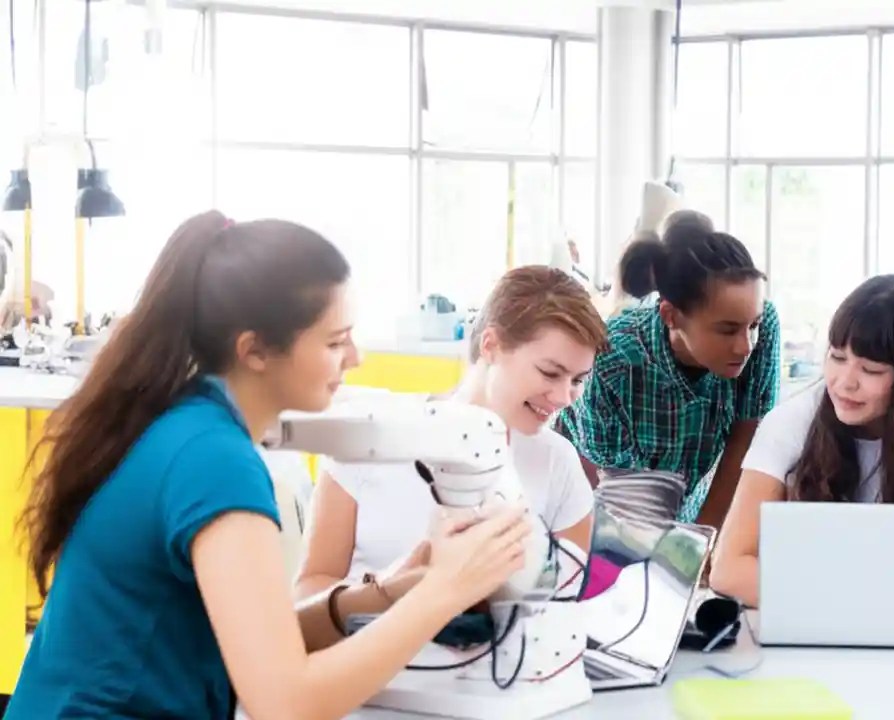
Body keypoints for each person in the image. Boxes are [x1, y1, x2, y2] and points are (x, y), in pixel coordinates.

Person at [9, 211, 530, 719]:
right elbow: (285, 704)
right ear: (255, 350)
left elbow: (257, 647)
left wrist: (390, 592)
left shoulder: (183, 423)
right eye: (334, 341)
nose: (355, 358)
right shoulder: (213, 461)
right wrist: (447, 591)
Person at [296, 265, 607, 606]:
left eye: (577, 380)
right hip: (374, 652)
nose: (564, 398)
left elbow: (570, 601)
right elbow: (309, 591)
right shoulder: (369, 440)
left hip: (503, 655)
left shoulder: (557, 461)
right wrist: (391, 589)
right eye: (550, 372)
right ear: (491, 345)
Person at [709, 275, 894, 606]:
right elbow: (728, 569)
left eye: (871, 370)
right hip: (815, 624)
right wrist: (859, 602)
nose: (844, 383)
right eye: (836, 357)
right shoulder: (793, 423)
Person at [558, 225, 781, 529]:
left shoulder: (764, 324)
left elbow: (747, 435)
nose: (745, 345)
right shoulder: (613, 360)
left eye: (751, 325)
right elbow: (603, 483)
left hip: (687, 503)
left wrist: (701, 540)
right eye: (727, 330)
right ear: (671, 316)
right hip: (604, 502)